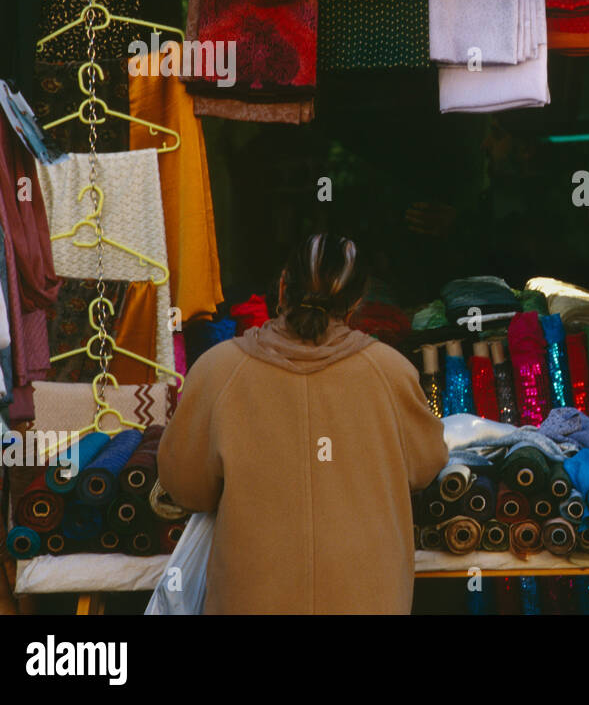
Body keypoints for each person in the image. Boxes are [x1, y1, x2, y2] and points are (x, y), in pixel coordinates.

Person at [158, 233, 448, 614]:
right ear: (357, 302)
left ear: (281, 287)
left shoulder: (219, 369)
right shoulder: (390, 373)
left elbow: (187, 489)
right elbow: (426, 465)